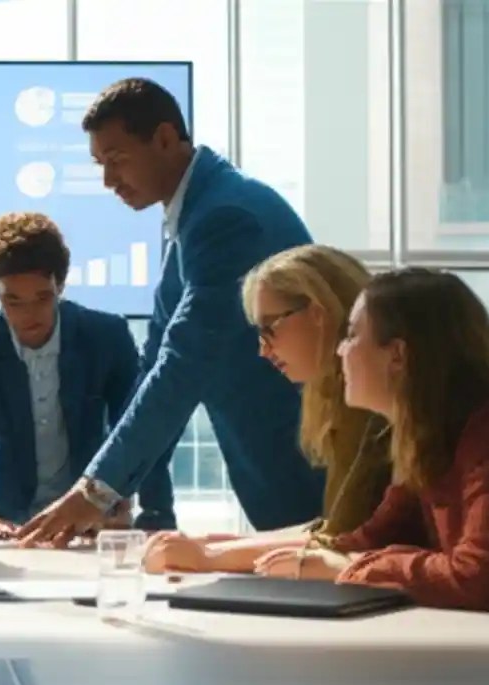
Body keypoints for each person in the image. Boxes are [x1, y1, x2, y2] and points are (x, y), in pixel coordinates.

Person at [18, 77, 325, 546]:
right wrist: (119, 495)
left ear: (164, 138)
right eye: (100, 165)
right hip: (282, 469)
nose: (108, 181)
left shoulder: (224, 220)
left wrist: (97, 490)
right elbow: (155, 363)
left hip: (309, 461)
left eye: (117, 159)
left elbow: (183, 365)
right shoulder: (195, 215)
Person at [257, 269, 489, 627]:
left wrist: (354, 567)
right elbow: (370, 541)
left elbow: (486, 582)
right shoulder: (429, 433)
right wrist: (223, 556)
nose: (340, 350)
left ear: (397, 355)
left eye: (352, 335)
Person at [143, 245, 390, 573]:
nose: (262, 350)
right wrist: (222, 546)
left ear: (318, 313)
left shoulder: (378, 410)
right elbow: (333, 529)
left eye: (269, 329)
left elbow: (347, 541)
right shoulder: (340, 404)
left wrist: (212, 557)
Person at [0, 212, 141, 536]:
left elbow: (138, 432)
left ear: (60, 287)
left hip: (90, 520)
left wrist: (136, 509)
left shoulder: (106, 337)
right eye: (14, 302)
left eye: (42, 298)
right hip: (7, 526)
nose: (29, 315)